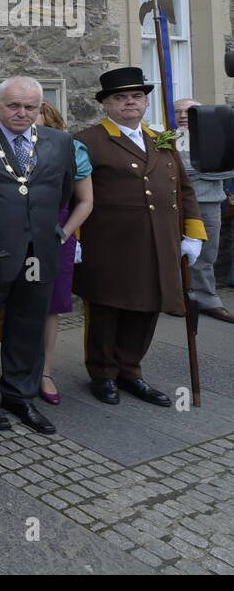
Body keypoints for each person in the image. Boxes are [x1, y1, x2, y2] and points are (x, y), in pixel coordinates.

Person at [73, 68, 205, 407]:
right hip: (108, 245)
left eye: (136, 97)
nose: (129, 103)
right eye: (120, 97)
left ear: (145, 102)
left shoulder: (160, 140)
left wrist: (192, 234)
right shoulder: (87, 141)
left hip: (159, 242)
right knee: (106, 310)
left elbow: (183, 189)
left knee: (147, 308)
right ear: (106, 105)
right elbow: (69, 195)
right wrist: (73, 237)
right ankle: (103, 373)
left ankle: (130, 370)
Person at [0, 78, 81, 437]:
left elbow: (64, 192)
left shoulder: (60, 142)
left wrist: (50, 232)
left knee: (28, 325)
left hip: (40, 251)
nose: (22, 113)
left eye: (30, 107)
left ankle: (19, 393)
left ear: (40, 108)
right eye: (14, 106)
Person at [35, 101, 94, 405]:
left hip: (57, 234)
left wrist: (64, 234)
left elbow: (85, 201)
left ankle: (44, 371)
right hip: (12, 235)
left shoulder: (73, 150)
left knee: (51, 305)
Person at [174, 99, 234, 323]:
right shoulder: (169, 140)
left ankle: (208, 300)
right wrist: (203, 169)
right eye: (178, 111)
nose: (182, 115)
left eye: (188, 111)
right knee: (176, 252)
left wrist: (191, 171)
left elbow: (225, 172)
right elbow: (172, 174)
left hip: (209, 204)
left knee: (207, 253)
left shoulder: (217, 137)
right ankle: (177, 299)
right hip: (177, 205)